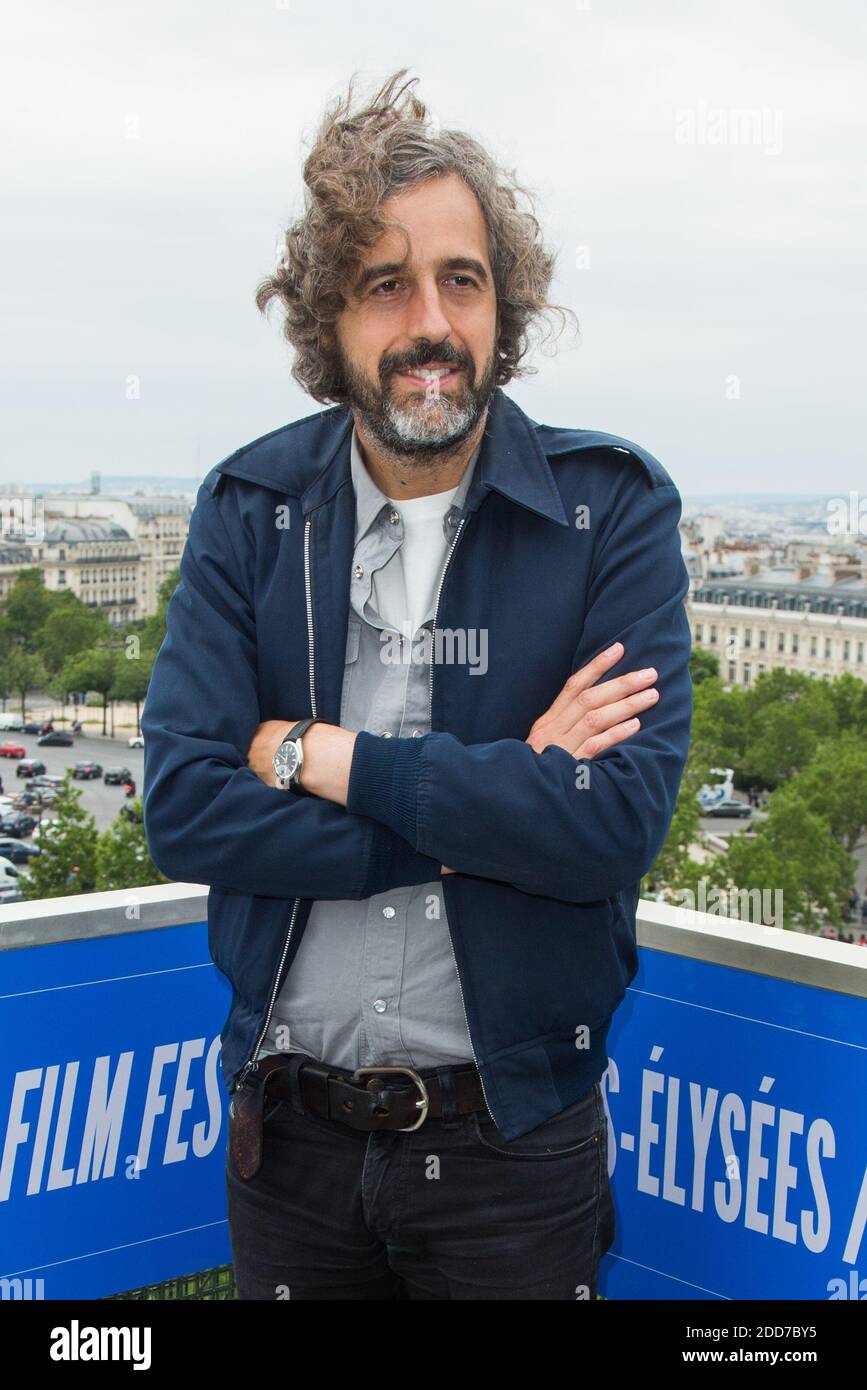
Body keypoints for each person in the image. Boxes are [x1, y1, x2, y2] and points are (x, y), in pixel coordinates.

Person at [141, 69, 693, 1302]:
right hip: (289, 1139)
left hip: (513, 1145)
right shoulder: (250, 511)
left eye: (462, 278)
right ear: (328, 321)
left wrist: (325, 759)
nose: (430, 320)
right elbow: (184, 807)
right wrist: (479, 813)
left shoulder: (611, 515)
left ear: (505, 308)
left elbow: (608, 824)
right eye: (384, 284)